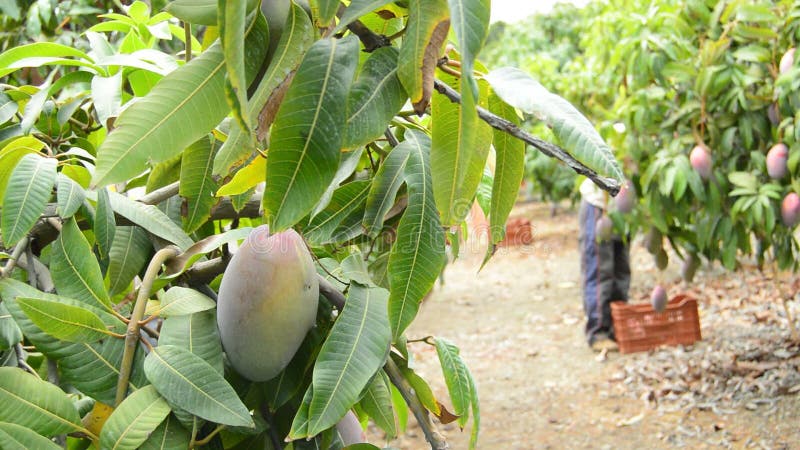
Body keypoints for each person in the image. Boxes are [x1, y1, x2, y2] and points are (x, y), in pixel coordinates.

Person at [578, 178, 631, 352]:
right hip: (598, 205)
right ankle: (598, 331)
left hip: (621, 207)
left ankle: (617, 325)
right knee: (600, 268)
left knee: (621, 268)